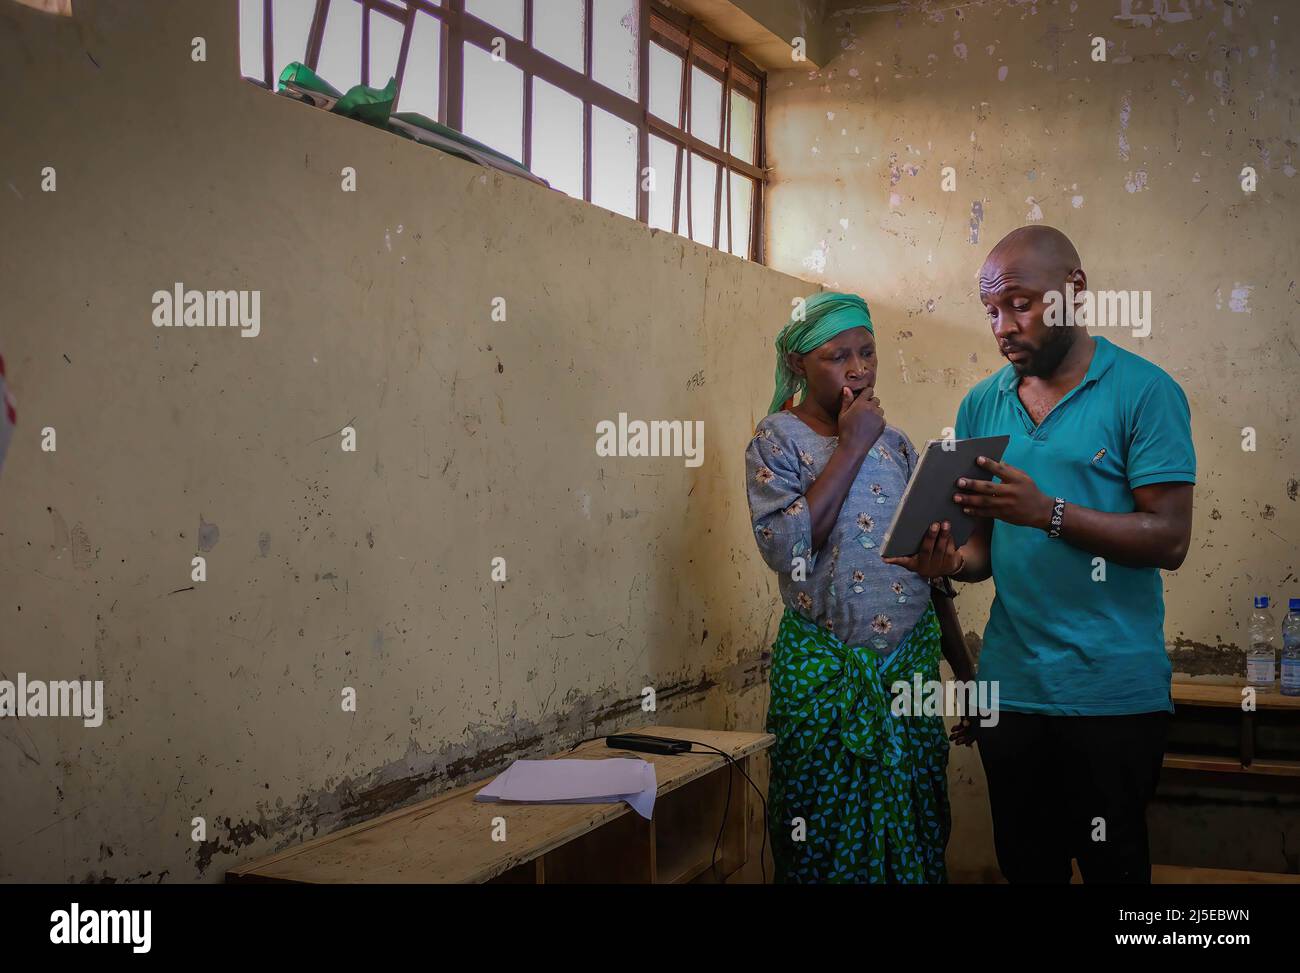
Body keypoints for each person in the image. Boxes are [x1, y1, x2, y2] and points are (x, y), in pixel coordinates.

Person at [884, 225, 1195, 884]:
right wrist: (948, 564)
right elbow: (982, 551)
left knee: (1117, 873)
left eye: (1019, 303)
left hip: (1112, 697)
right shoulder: (982, 404)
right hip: (1012, 694)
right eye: (992, 310)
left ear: (1073, 291)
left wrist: (1048, 512)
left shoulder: (1144, 391)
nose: (1003, 324)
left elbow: (1169, 537)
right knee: (1028, 871)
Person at [745, 291, 974, 884]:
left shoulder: (898, 445)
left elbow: (933, 579)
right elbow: (787, 548)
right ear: (797, 364)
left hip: (910, 668)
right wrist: (851, 444)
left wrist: (965, 674)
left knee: (915, 830)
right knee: (816, 825)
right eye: (836, 356)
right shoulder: (775, 440)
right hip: (824, 674)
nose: (858, 369)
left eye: (867, 353)